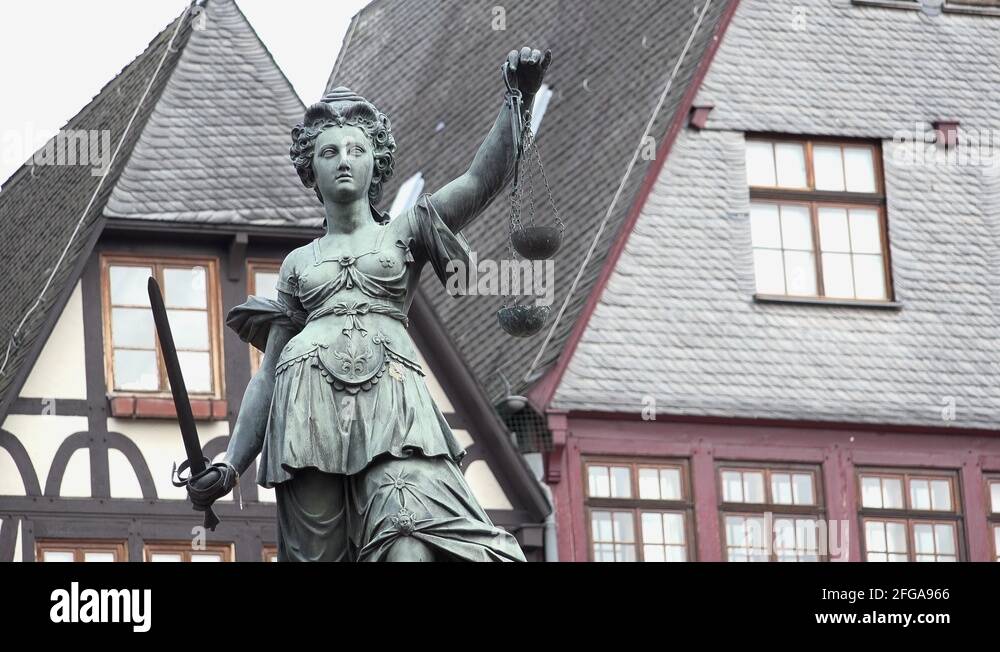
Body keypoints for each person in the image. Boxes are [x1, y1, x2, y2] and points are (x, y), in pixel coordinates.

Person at [185, 47, 552, 561]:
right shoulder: (297, 265)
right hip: (306, 416)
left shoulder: (406, 230)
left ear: (375, 161)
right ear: (310, 167)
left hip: (396, 411)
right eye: (329, 151)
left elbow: (478, 180)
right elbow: (266, 376)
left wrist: (520, 98)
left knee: (411, 538)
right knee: (318, 556)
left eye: (355, 149)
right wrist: (230, 464)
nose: (343, 160)